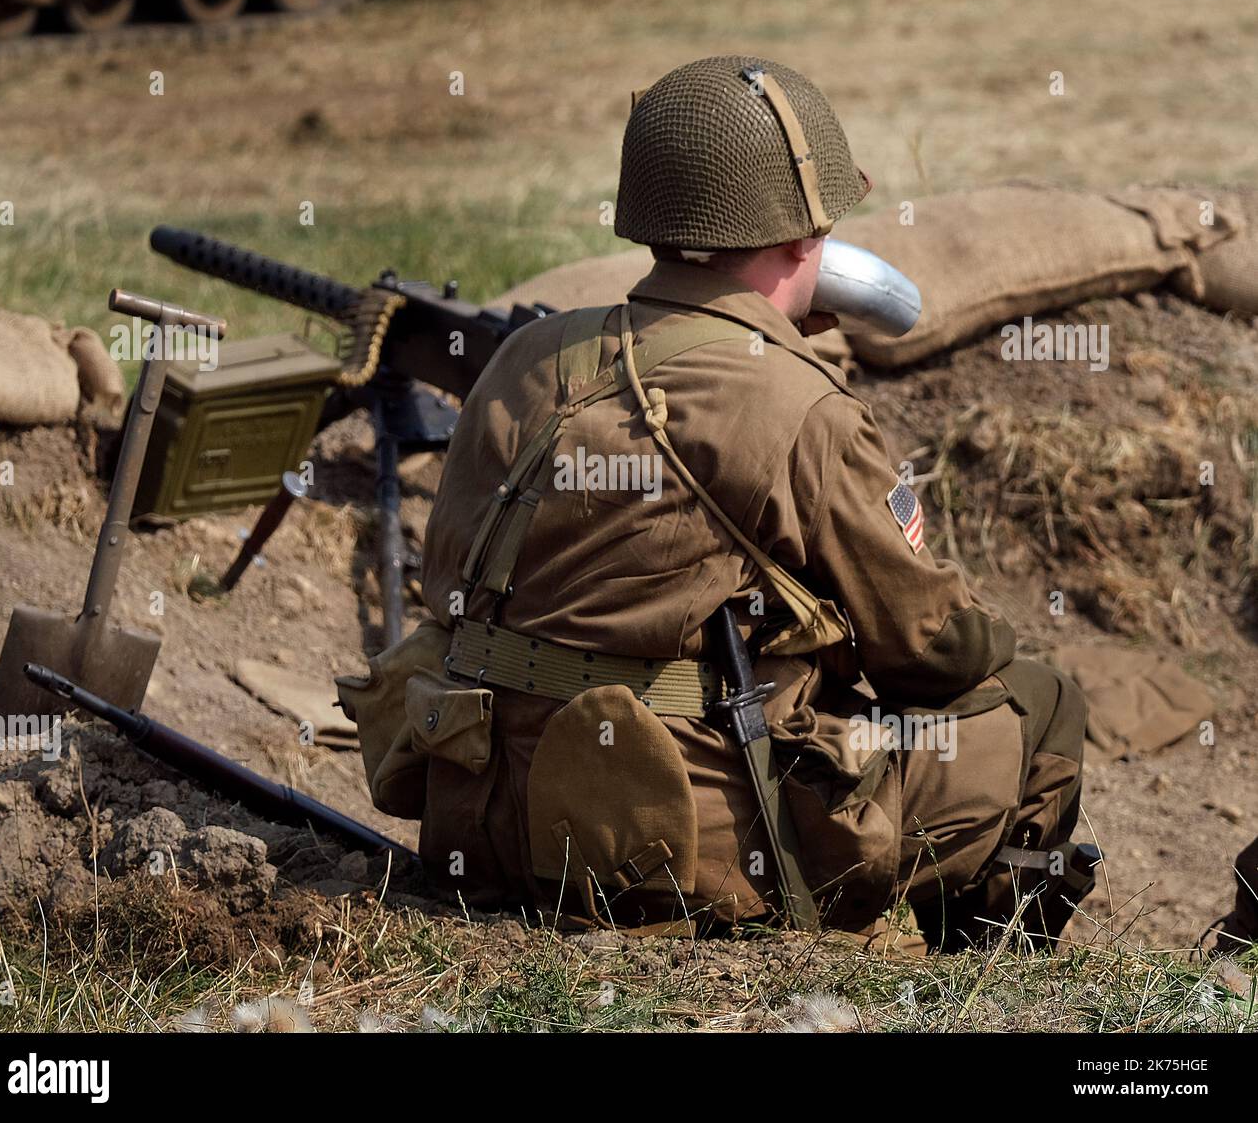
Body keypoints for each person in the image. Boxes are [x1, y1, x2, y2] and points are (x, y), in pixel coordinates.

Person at [365, 54, 1092, 946]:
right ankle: (981, 978)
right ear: (804, 239)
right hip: (673, 859)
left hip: (482, 824)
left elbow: (451, 592)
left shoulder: (525, 360)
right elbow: (933, 658)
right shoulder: (800, 407)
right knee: (1040, 700)